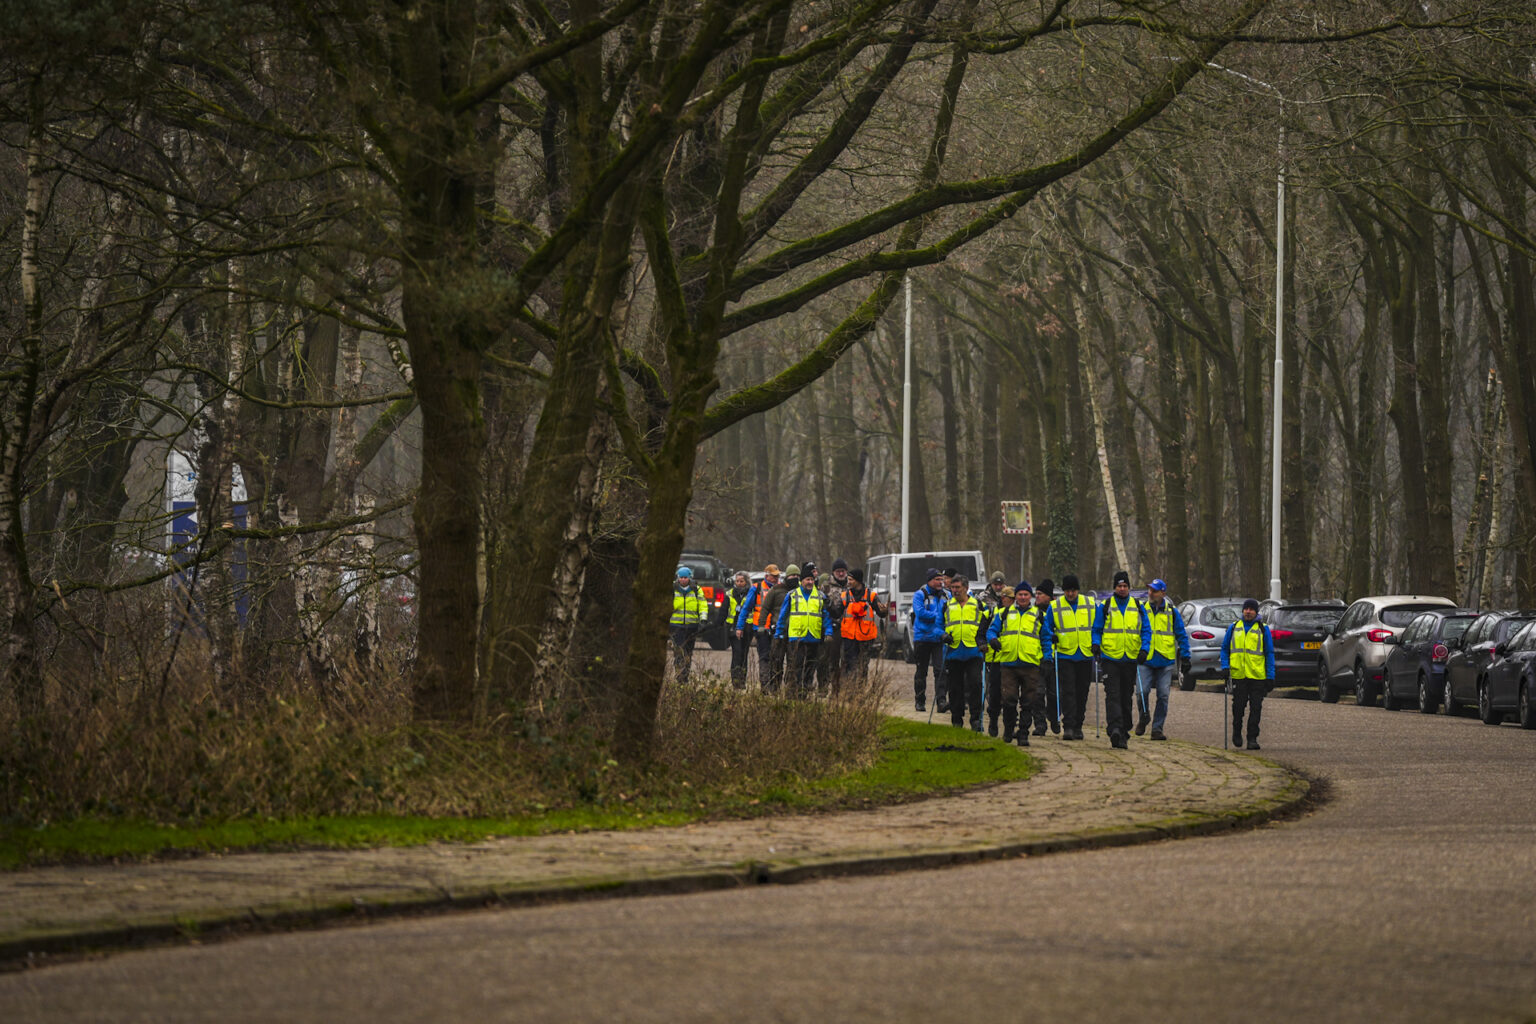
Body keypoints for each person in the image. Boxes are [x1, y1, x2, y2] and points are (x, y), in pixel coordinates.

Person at [986, 581, 1050, 745]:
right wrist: (992, 639)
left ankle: (1023, 734)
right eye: (1020, 594)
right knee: (1009, 699)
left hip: (1030, 664)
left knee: (1028, 702)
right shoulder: (1004, 613)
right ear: (1016, 597)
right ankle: (1008, 731)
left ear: (1031, 596)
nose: (1022, 597)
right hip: (1008, 663)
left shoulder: (1039, 615)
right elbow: (992, 629)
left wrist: (1047, 658)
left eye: (1025, 595)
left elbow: (1046, 638)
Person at [1092, 570, 1150, 749]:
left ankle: (1124, 729)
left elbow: (1146, 630)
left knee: (1126, 697)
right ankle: (1115, 728)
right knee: (1113, 695)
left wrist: (1144, 649)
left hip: (1130, 658)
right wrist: (1096, 644)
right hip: (1110, 657)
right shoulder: (1106, 605)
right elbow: (1097, 628)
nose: (1122, 588)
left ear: (1129, 588)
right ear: (1114, 587)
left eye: (1125, 586)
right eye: (1119, 586)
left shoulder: (1138, 606)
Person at [1136, 579, 1190, 740]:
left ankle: (1157, 729)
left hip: (1165, 659)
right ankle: (1144, 716)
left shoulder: (1172, 612)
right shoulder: (1141, 610)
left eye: (1155, 590)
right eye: (1150, 590)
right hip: (1145, 658)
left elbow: (1181, 635)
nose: (1151, 593)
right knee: (1141, 692)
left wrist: (1186, 657)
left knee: (1163, 695)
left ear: (1163, 593)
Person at [1044, 574, 1096, 740]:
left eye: (1073, 590)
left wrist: (1096, 643)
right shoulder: (1055, 606)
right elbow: (1046, 628)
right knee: (1068, 692)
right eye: (1067, 590)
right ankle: (1068, 726)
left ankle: (1078, 725)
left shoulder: (1090, 604)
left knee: (1082, 692)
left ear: (1078, 590)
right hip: (1065, 653)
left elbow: (1097, 625)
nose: (1070, 594)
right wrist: (1052, 636)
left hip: (1085, 654)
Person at [1221, 598, 1275, 750]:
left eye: (1251, 609)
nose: (1248, 611)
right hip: (1239, 675)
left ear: (1256, 612)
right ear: (1243, 611)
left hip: (1258, 676)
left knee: (1256, 708)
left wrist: (1270, 676)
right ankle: (1236, 732)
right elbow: (1225, 649)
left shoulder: (1263, 629)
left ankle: (1252, 738)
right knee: (1238, 707)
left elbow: (1269, 653)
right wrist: (1225, 667)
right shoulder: (1233, 628)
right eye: (1246, 609)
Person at [774, 568, 834, 698]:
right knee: (796, 666)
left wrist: (829, 632)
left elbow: (826, 617)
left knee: (810, 667)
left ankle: (805, 693)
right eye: (808, 579)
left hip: (813, 636)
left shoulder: (820, 596)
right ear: (802, 581)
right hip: (797, 637)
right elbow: (783, 616)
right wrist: (778, 634)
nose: (810, 582)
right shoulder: (792, 595)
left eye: (812, 579)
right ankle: (793, 693)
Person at [943, 575, 986, 730]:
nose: (954, 591)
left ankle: (975, 719)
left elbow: (987, 623)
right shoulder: (947, 605)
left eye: (957, 588)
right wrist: (942, 635)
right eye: (952, 588)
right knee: (955, 688)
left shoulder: (978, 605)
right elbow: (938, 625)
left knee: (975, 685)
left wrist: (984, 641)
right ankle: (956, 719)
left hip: (973, 652)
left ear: (966, 588)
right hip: (953, 652)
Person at [736, 564, 782, 690]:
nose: (776, 578)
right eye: (773, 576)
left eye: (777, 575)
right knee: (764, 657)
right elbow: (745, 609)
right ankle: (765, 686)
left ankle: (775, 686)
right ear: (766, 575)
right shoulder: (756, 588)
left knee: (777, 658)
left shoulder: (781, 588)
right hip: (761, 629)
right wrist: (739, 627)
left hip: (777, 629)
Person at [837, 568, 885, 690]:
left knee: (863, 666)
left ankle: (860, 692)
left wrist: (884, 611)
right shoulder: (845, 596)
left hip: (866, 638)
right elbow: (836, 613)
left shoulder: (871, 596)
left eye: (851, 579)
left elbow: (881, 613)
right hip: (849, 638)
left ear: (858, 580)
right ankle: (849, 692)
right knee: (849, 666)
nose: (848, 582)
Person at [910, 568, 949, 713]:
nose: (940, 582)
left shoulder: (946, 595)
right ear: (929, 580)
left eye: (941, 580)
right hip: (923, 638)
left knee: (940, 670)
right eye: (937, 580)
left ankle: (941, 701)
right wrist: (938, 615)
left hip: (939, 639)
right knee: (922, 671)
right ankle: (920, 701)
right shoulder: (920, 594)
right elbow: (920, 613)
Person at [760, 565, 801, 693]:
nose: (794, 578)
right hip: (778, 631)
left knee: (792, 661)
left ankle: (790, 688)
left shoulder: (800, 591)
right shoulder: (776, 590)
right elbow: (765, 608)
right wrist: (762, 626)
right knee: (776, 660)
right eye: (792, 576)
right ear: (787, 576)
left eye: (797, 576)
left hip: (794, 632)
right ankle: (774, 687)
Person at [980, 571, 1010, 737]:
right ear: (991, 584)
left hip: (1011, 655)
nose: (998, 587)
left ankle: (1009, 720)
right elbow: (983, 627)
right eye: (996, 584)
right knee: (993, 688)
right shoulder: (983, 599)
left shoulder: (1011, 600)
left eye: (1001, 584)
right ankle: (992, 716)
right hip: (992, 654)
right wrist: (983, 643)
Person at [670, 565, 709, 684]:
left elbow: (702, 605)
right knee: (678, 652)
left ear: (689, 578)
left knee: (688, 652)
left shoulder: (696, 589)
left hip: (692, 626)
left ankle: (685, 676)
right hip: (676, 626)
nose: (682, 580)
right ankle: (679, 677)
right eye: (680, 577)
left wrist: (703, 620)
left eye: (685, 578)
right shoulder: (672, 589)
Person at [822, 558, 856, 691]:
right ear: (833, 572)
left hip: (850, 627)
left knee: (847, 660)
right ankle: (834, 689)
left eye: (843, 571)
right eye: (838, 571)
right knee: (832, 660)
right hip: (833, 628)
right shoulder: (826, 586)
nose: (841, 574)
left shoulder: (852, 585)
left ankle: (845, 689)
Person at [1032, 579, 1059, 735]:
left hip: (1056, 656)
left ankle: (1054, 718)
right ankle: (1040, 724)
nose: (1037, 597)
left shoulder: (1056, 610)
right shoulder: (1033, 612)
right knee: (1038, 692)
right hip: (1038, 657)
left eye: (1040, 594)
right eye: (1036, 594)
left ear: (1049, 596)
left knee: (1054, 693)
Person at [721, 571, 754, 688]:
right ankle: (736, 681)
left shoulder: (752, 593)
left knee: (744, 654)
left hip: (748, 627)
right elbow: (723, 611)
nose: (739, 583)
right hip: (733, 627)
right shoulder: (729, 594)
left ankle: (742, 681)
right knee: (737, 653)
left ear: (746, 582)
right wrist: (720, 625)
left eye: (742, 581)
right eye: (737, 581)